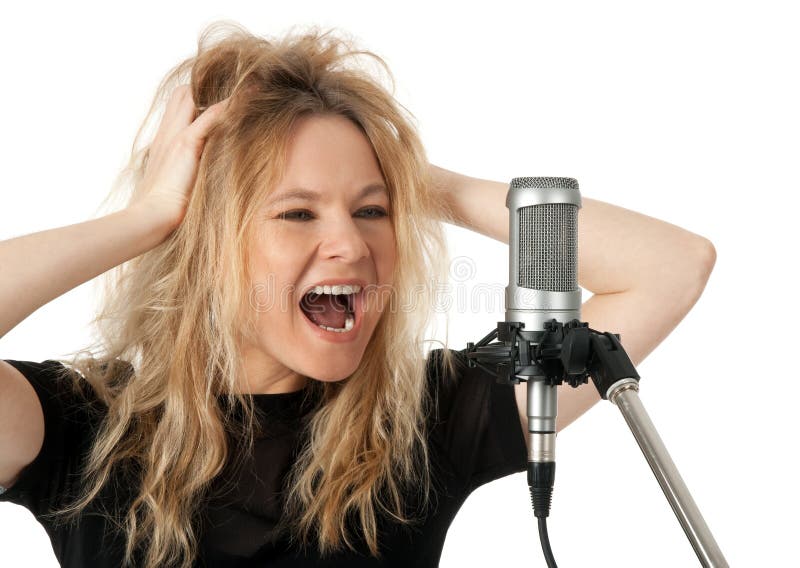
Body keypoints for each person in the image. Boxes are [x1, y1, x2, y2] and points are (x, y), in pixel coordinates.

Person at [0, 20, 716, 568]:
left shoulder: (423, 421)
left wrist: (416, 178)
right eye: (298, 212)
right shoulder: (86, 429)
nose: (352, 244)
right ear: (205, 248)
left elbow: (673, 266)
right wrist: (148, 217)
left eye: (373, 211)